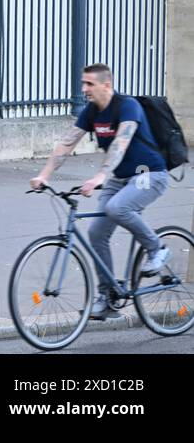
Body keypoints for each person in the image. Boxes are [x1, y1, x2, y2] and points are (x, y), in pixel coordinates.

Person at [30, 63, 171, 320]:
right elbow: (66, 143)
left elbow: (121, 143)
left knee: (117, 208)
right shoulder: (92, 112)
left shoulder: (127, 106)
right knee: (96, 233)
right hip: (119, 178)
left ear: (106, 85)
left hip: (148, 174)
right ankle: (108, 298)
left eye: (89, 84)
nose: (84, 89)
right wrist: (44, 175)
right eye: (83, 84)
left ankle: (156, 248)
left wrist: (99, 176)